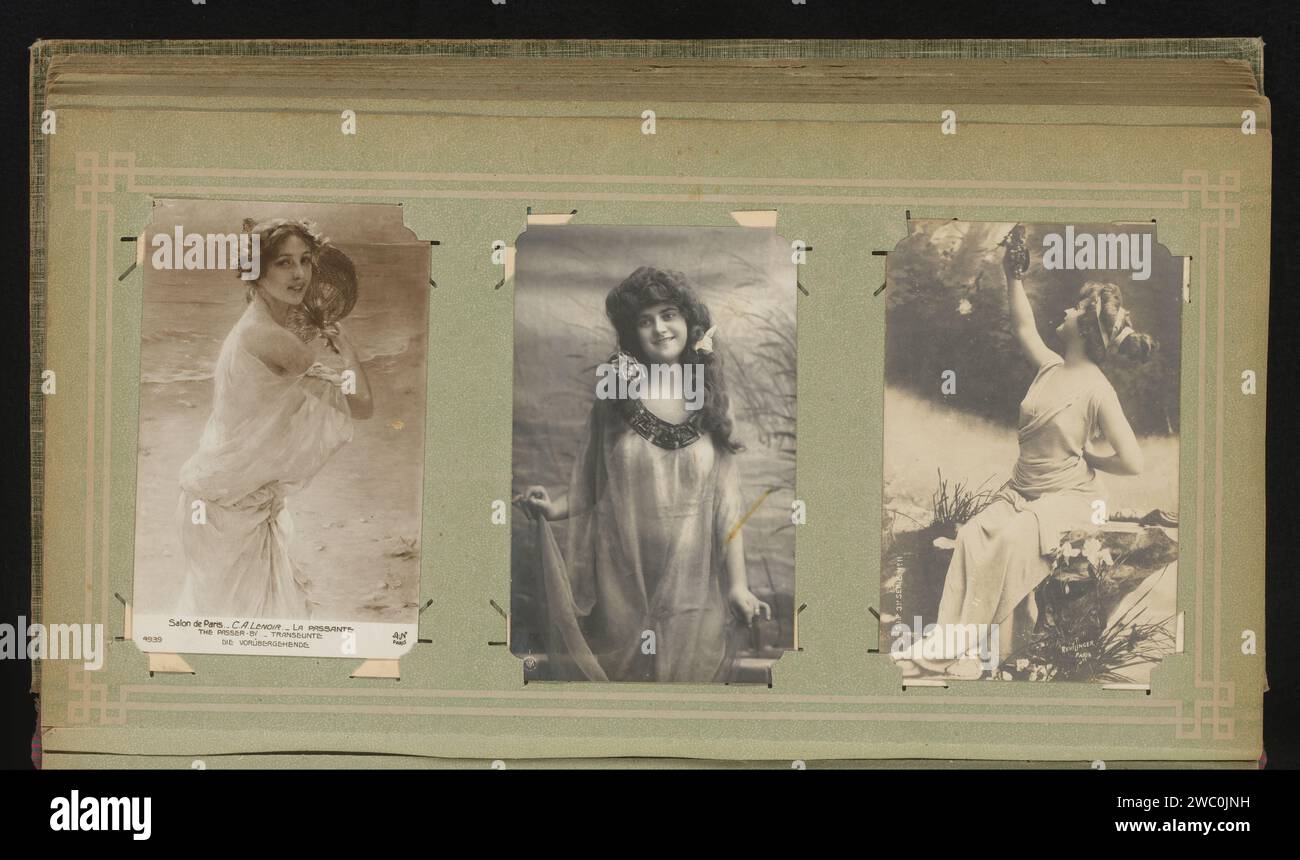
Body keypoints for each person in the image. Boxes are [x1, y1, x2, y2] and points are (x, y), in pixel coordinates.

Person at [913, 227, 1156, 678]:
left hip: (1071, 502)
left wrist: (1090, 458)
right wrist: (1013, 276)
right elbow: (1022, 325)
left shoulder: (1097, 390)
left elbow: (1133, 462)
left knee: (1009, 541)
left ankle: (980, 653)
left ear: (1083, 328)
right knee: (971, 536)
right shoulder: (1051, 366)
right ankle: (953, 645)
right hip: (1022, 492)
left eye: (1074, 309)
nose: (1063, 310)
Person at [517, 266, 770, 682]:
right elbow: (590, 487)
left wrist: (737, 586)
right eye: (644, 320)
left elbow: (728, 508)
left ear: (689, 321)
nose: (659, 328)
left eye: (669, 314)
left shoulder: (711, 400)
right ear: (632, 333)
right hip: (623, 587)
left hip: (694, 588)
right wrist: (552, 507)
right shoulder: (616, 400)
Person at [175, 219, 373, 619]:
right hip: (224, 513)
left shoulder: (256, 327)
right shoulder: (272, 338)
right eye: (283, 263)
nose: (299, 274)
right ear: (256, 271)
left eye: (305, 261)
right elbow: (362, 404)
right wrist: (347, 346)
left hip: (221, 501)